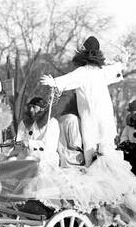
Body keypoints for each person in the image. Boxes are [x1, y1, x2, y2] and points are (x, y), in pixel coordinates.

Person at [40, 36, 123, 164]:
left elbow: (68, 79)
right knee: (106, 144)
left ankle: (91, 166)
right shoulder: (103, 71)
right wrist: (122, 62)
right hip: (106, 115)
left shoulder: (83, 72)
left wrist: (54, 82)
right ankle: (109, 167)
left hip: (90, 115)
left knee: (90, 144)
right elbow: (116, 70)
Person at [10, 94, 60, 167]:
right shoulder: (24, 122)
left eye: (34, 107)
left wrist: (29, 143)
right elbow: (19, 143)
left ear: (42, 108)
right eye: (30, 107)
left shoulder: (52, 122)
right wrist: (14, 144)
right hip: (27, 161)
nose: (31, 110)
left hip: (46, 161)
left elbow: (49, 146)